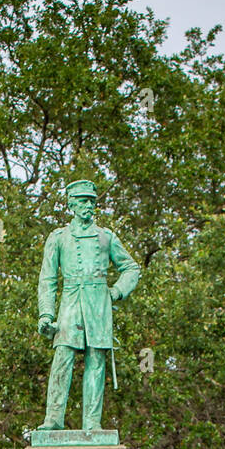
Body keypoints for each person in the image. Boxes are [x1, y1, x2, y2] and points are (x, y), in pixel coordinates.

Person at [37, 179, 139, 433]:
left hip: (99, 305)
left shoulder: (107, 237)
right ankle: (54, 418)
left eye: (91, 201)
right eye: (83, 201)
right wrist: (46, 313)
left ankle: (92, 423)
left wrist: (116, 291)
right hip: (70, 303)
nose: (88, 206)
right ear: (71, 204)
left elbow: (131, 267)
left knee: (96, 360)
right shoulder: (58, 238)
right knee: (63, 357)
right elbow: (48, 279)